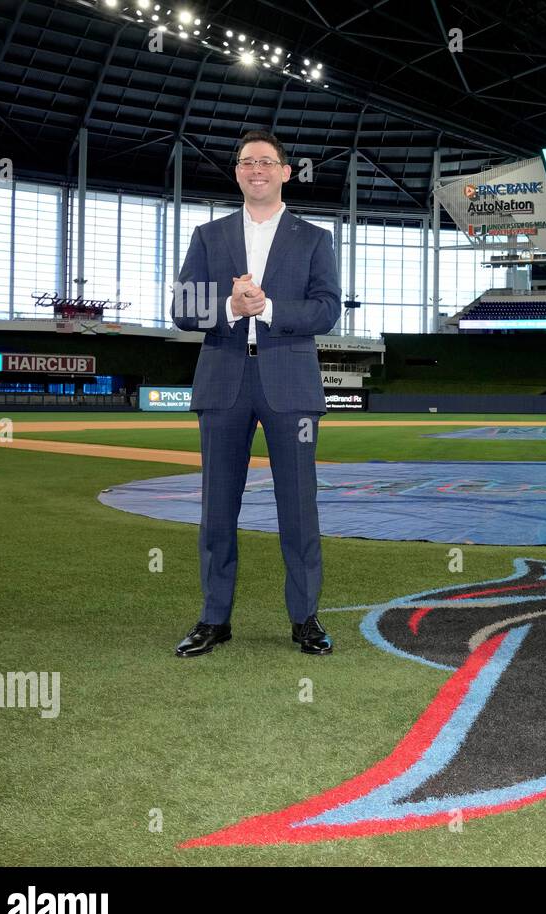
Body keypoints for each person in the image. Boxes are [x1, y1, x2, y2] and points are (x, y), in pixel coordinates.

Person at [169, 129, 340, 657]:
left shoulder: (314, 239)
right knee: (217, 508)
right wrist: (229, 308)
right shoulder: (208, 236)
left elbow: (327, 309)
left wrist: (265, 309)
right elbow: (181, 310)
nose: (257, 169)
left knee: (299, 507)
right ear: (238, 173)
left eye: (267, 162)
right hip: (224, 383)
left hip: (290, 387)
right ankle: (214, 618)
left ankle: (305, 618)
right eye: (247, 162)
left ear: (286, 172)